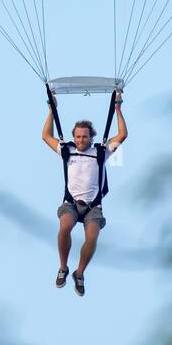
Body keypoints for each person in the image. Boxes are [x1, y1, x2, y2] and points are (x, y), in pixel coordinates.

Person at [41, 90, 126, 296]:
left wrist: (117, 107)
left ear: (91, 137)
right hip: (71, 203)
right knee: (65, 227)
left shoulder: (100, 152)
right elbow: (46, 136)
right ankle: (63, 267)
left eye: (84, 137)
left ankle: (79, 273)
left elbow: (122, 135)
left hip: (92, 207)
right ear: (73, 137)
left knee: (91, 239)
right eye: (77, 136)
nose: (80, 140)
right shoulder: (66, 149)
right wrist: (52, 109)